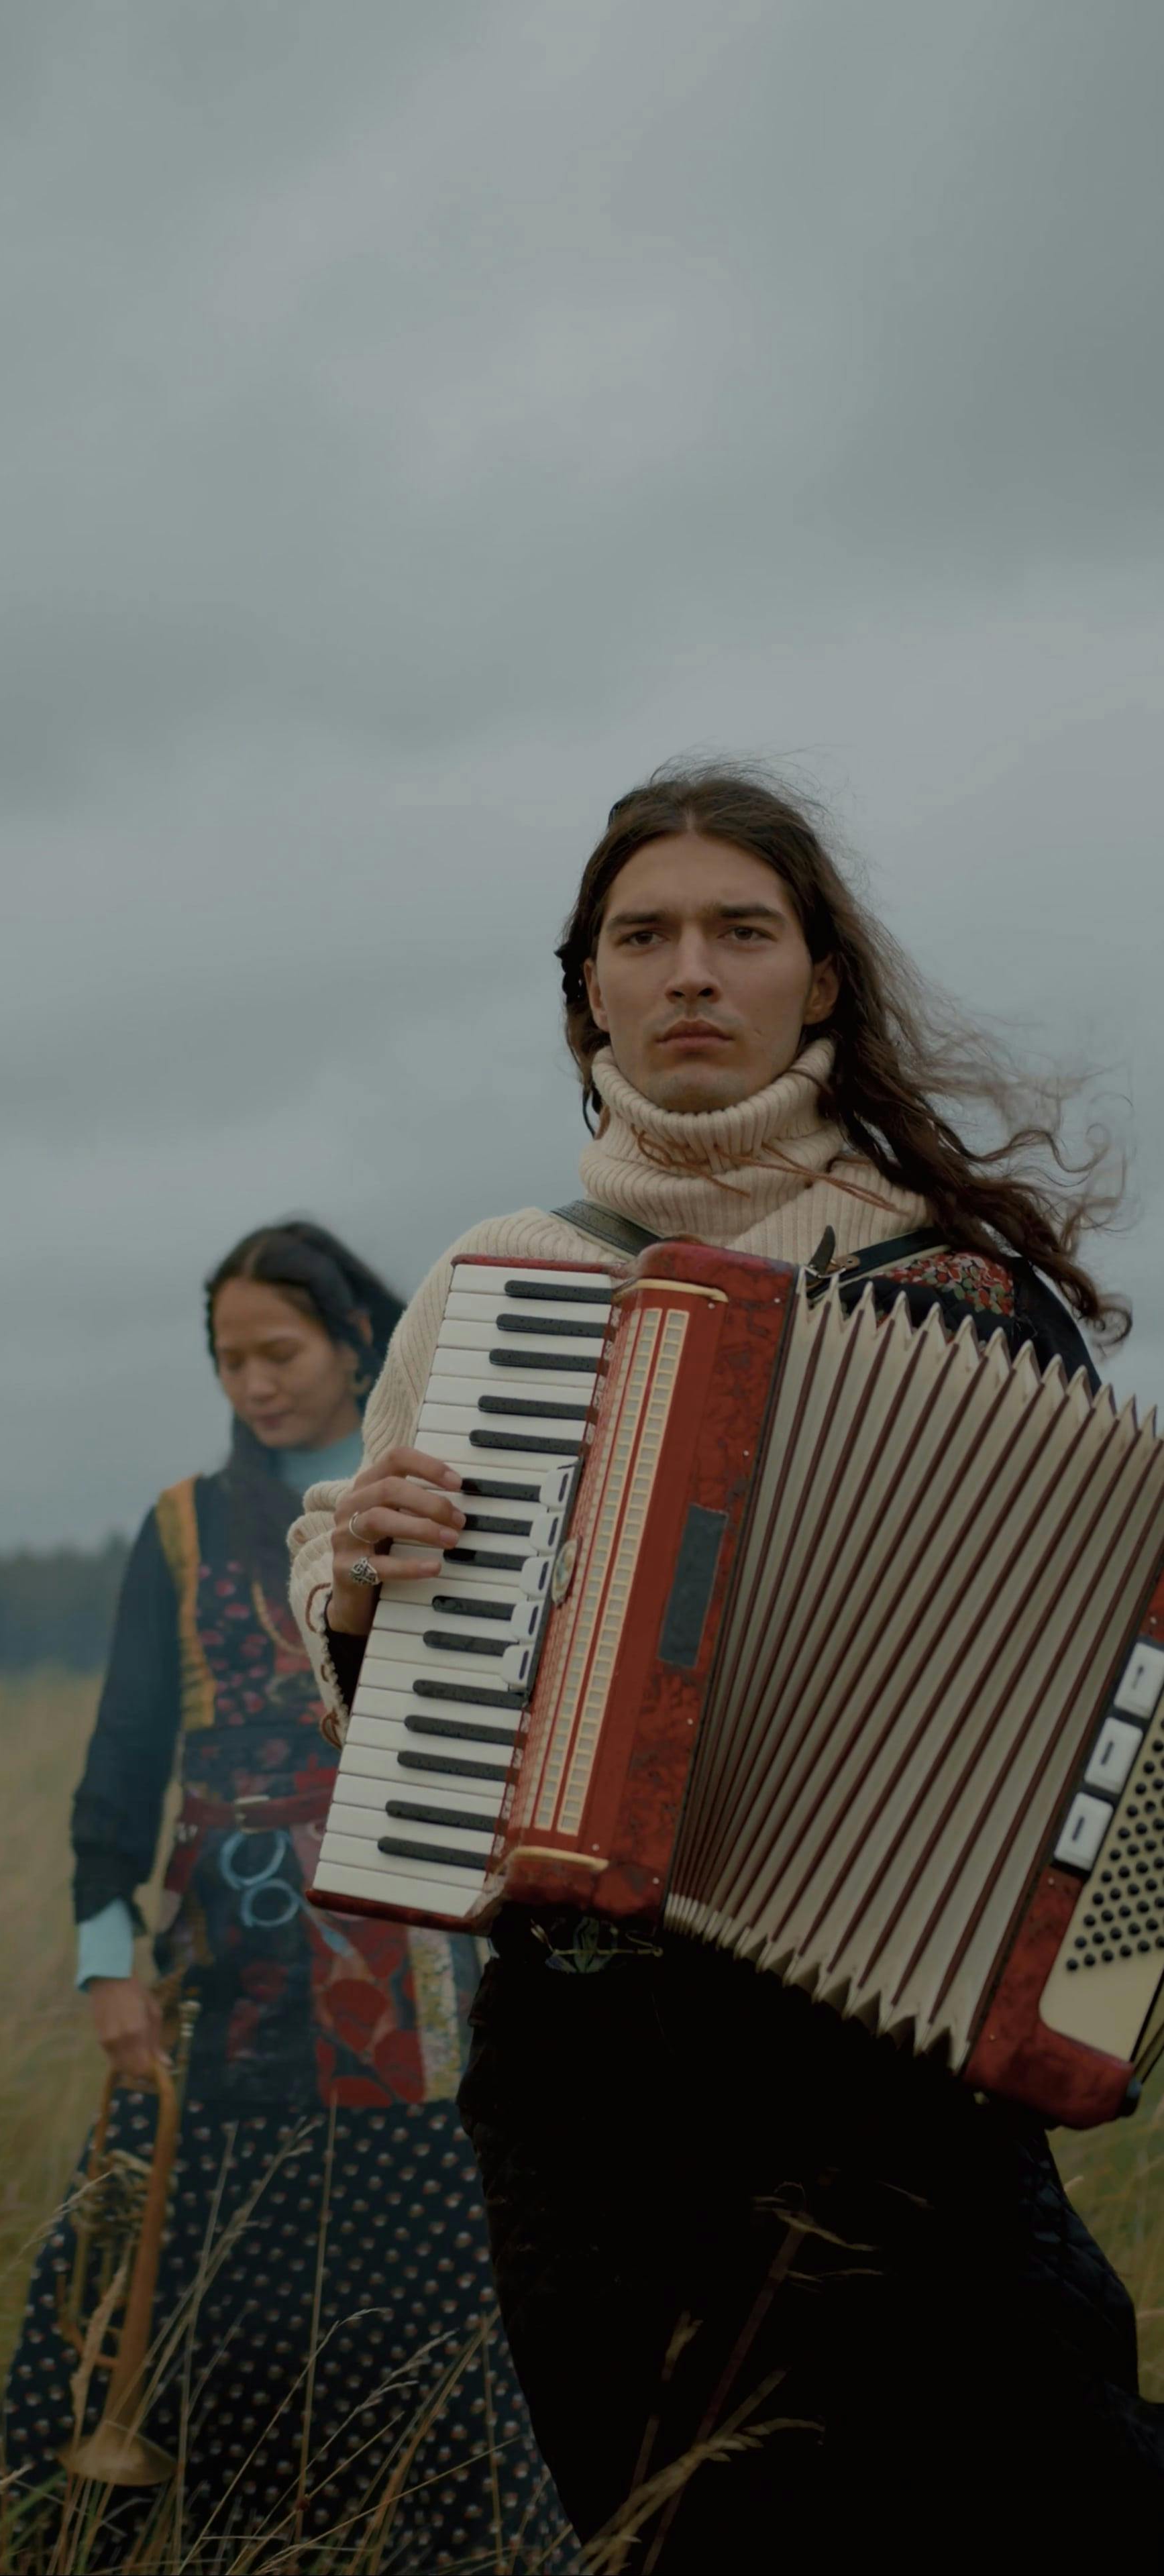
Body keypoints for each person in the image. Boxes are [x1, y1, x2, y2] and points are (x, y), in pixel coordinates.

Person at [288, 770, 1164, 2575]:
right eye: (644, 936)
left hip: (894, 2076)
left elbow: (1106, 1683)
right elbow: (391, 1681)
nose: (691, 971)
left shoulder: (967, 1288)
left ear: (818, 980)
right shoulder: (502, 1284)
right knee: (680, 2533)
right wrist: (362, 1587)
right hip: (589, 2075)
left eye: (739, 931)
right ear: (586, 994)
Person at [0, 1221, 575, 2574]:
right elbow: (117, 1780)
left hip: (412, 1987)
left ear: (358, 1343)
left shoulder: (439, 1499)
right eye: (228, 1359)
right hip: (216, 2000)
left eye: (278, 1351)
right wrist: (103, 1966)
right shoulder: (179, 1532)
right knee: (143, 2308)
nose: (253, 1383)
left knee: (421, 2311)